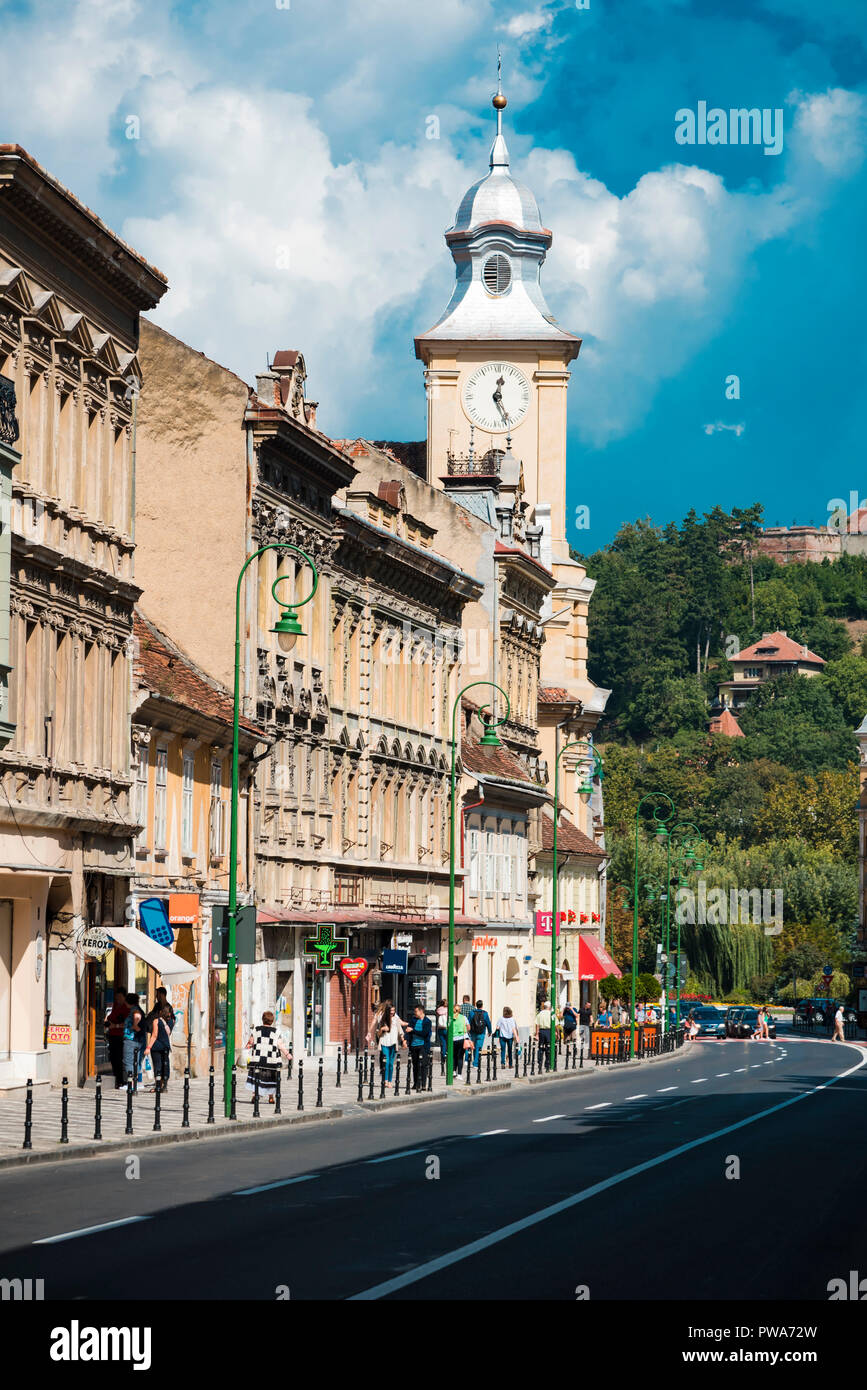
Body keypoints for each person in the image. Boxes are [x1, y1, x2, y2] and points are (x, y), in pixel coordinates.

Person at [245, 1010, 292, 1103]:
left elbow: (250, 1043)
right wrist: (287, 1054)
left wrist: (246, 1049)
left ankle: (255, 1095)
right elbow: (280, 1045)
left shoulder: (256, 1030)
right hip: (271, 1060)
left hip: (257, 1059)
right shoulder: (275, 1032)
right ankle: (271, 1097)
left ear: (263, 1019)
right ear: (272, 1021)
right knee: (271, 1078)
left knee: (256, 1077)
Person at [145, 1005, 174, 1092]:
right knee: (165, 1065)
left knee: (157, 1065)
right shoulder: (172, 1022)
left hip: (156, 1047)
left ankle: (158, 1085)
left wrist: (148, 1047)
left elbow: (154, 1035)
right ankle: (164, 1086)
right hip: (166, 1046)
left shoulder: (156, 1021)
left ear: (161, 1012)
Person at [104, 987, 129, 1088]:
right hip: (112, 1035)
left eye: (119, 997)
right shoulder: (115, 1006)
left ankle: (121, 1080)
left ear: (124, 997)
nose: (117, 999)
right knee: (114, 1059)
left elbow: (127, 1023)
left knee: (119, 1059)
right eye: (116, 997)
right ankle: (117, 1079)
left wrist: (115, 1025)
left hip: (120, 1036)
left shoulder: (126, 1008)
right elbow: (110, 1017)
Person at [122, 993, 147, 1090]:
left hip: (131, 1039)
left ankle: (130, 1083)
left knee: (129, 1061)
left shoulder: (134, 1010)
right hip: (139, 1039)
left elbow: (137, 1016)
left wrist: (135, 1025)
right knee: (137, 1061)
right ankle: (138, 1082)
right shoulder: (138, 1008)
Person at [377, 1001, 406, 1083]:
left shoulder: (396, 1019)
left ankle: (390, 1081)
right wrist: (382, 1029)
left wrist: (403, 1041)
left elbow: (401, 1032)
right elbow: (378, 1034)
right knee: (386, 1063)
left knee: (390, 1064)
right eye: (391, 1011)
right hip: (384, 1043)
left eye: (393, 1011)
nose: (392, 1013)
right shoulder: (382, 1019)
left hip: (393, 1043)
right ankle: (385, 1080)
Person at [404, 1005, 432, 1090]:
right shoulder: (413, 1020)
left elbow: (424, 1033)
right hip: (413, 1045)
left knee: (423, 1065)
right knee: (415, 1065)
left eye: (416, 1011)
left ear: (421, 1011)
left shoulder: (427, 1021)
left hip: (423, 1046)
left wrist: (413, 1030)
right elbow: (408, 1031)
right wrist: (405, 1040)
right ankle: (416, 1083)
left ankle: (423, 1084)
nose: (414, 1013)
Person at [469, 999, 492, 1070]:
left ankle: (474, 1061)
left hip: (473, 1032)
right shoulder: (485, 1013)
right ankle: (475, 1063)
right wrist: (490, 1031)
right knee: (478, 1048)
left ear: (476, 1005)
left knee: (474, 1047)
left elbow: (469, 1022)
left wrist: (468, 1031)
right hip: (481, 1033)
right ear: (482, 1006)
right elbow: (488, 1023)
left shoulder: (472, 1013)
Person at [451, 1004, 469, 1077]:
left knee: (453, 1056)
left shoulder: (450, 1018)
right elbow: (468, 1027)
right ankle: (459, 1074)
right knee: (460, 1056)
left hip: (452, 1039)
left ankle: (453, 1071)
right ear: (460, 1010)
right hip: (461, 1038)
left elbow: (447, 1028)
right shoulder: (463, 1017)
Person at [535, 998, 553, 1070]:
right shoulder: (551, 1014)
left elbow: (537, 1024)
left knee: (541, 1047)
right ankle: (547, 1063)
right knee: (549, 1047)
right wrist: (557, 1032)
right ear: (549, 1007)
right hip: (549, 1031)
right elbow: (555, 1025)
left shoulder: (540, 1014)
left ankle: (540, 1062)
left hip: (541, 1032)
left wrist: (537, 1034)